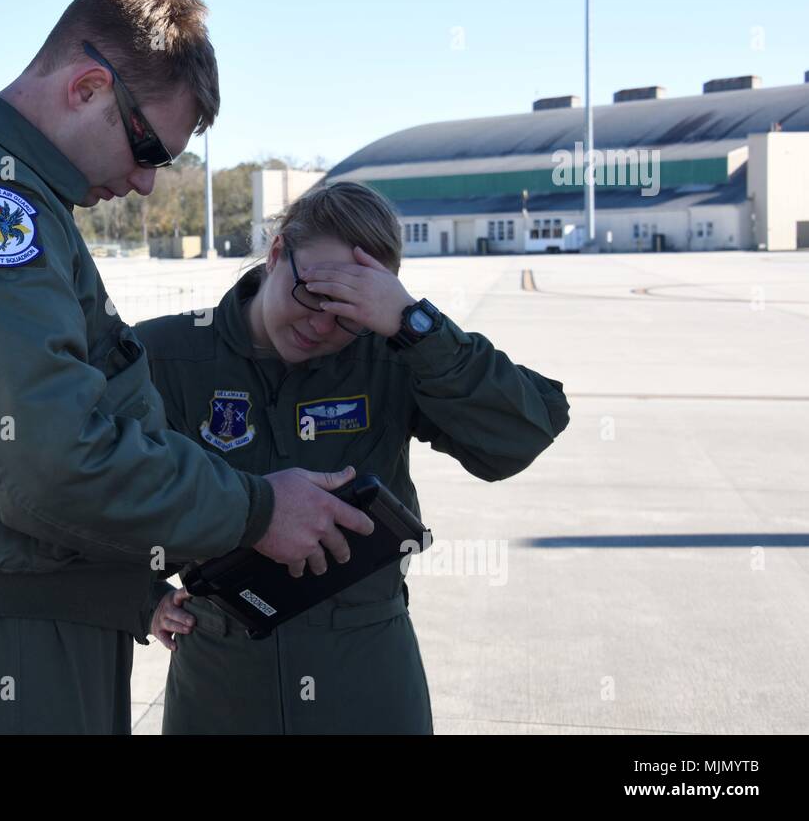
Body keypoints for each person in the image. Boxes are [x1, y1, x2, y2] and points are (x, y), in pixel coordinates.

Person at [0, 0, 374, 734]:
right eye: (147, 146)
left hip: (21, 634)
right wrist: (257, 508)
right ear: (87, 88)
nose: (146, 182)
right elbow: (52, 462)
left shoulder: (8, 188)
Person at [137, 181, 571, 734]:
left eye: (349, 313)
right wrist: (141, 593)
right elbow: (85, 483)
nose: (322, 325)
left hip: (365, 672)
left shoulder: (391, 357)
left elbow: (518, 436)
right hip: (222, 677)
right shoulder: (166, 355)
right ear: (276, 254)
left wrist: (418, 326)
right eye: (314, 294)